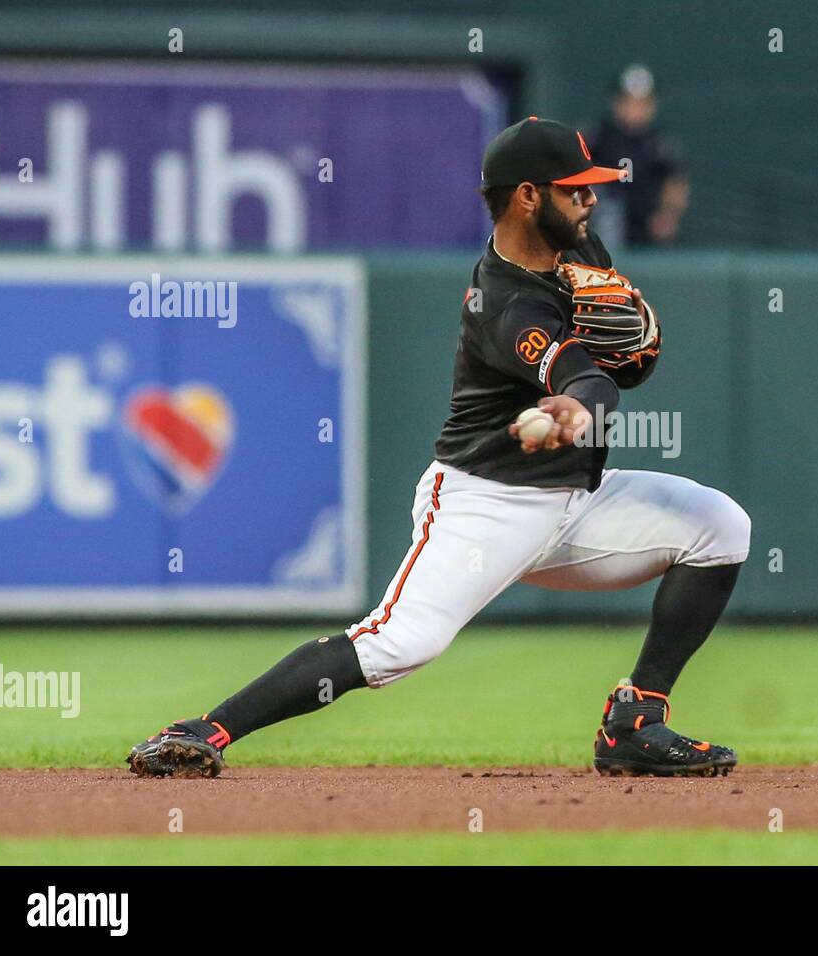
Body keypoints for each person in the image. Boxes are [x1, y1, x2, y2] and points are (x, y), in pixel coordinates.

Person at [127, 117, 750, 780]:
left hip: (574, 500)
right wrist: (579, 401)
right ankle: (203, 730)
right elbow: (588, 379)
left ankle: (635, 722)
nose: (592, 199)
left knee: (719, 527)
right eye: (576, 189)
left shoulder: (581, 246)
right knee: (398, 643)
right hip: (485, 504)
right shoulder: (505, 303)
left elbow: (617, 367)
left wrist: (638, 349)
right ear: (528, 197)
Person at [589, 65, 689, 246]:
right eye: (628, 102)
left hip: (648, 228)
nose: (634, 110)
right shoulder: (598, 137)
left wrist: (668, 214)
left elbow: (675, 183)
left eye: (642, 103)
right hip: (602, 227)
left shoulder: (660, 143)